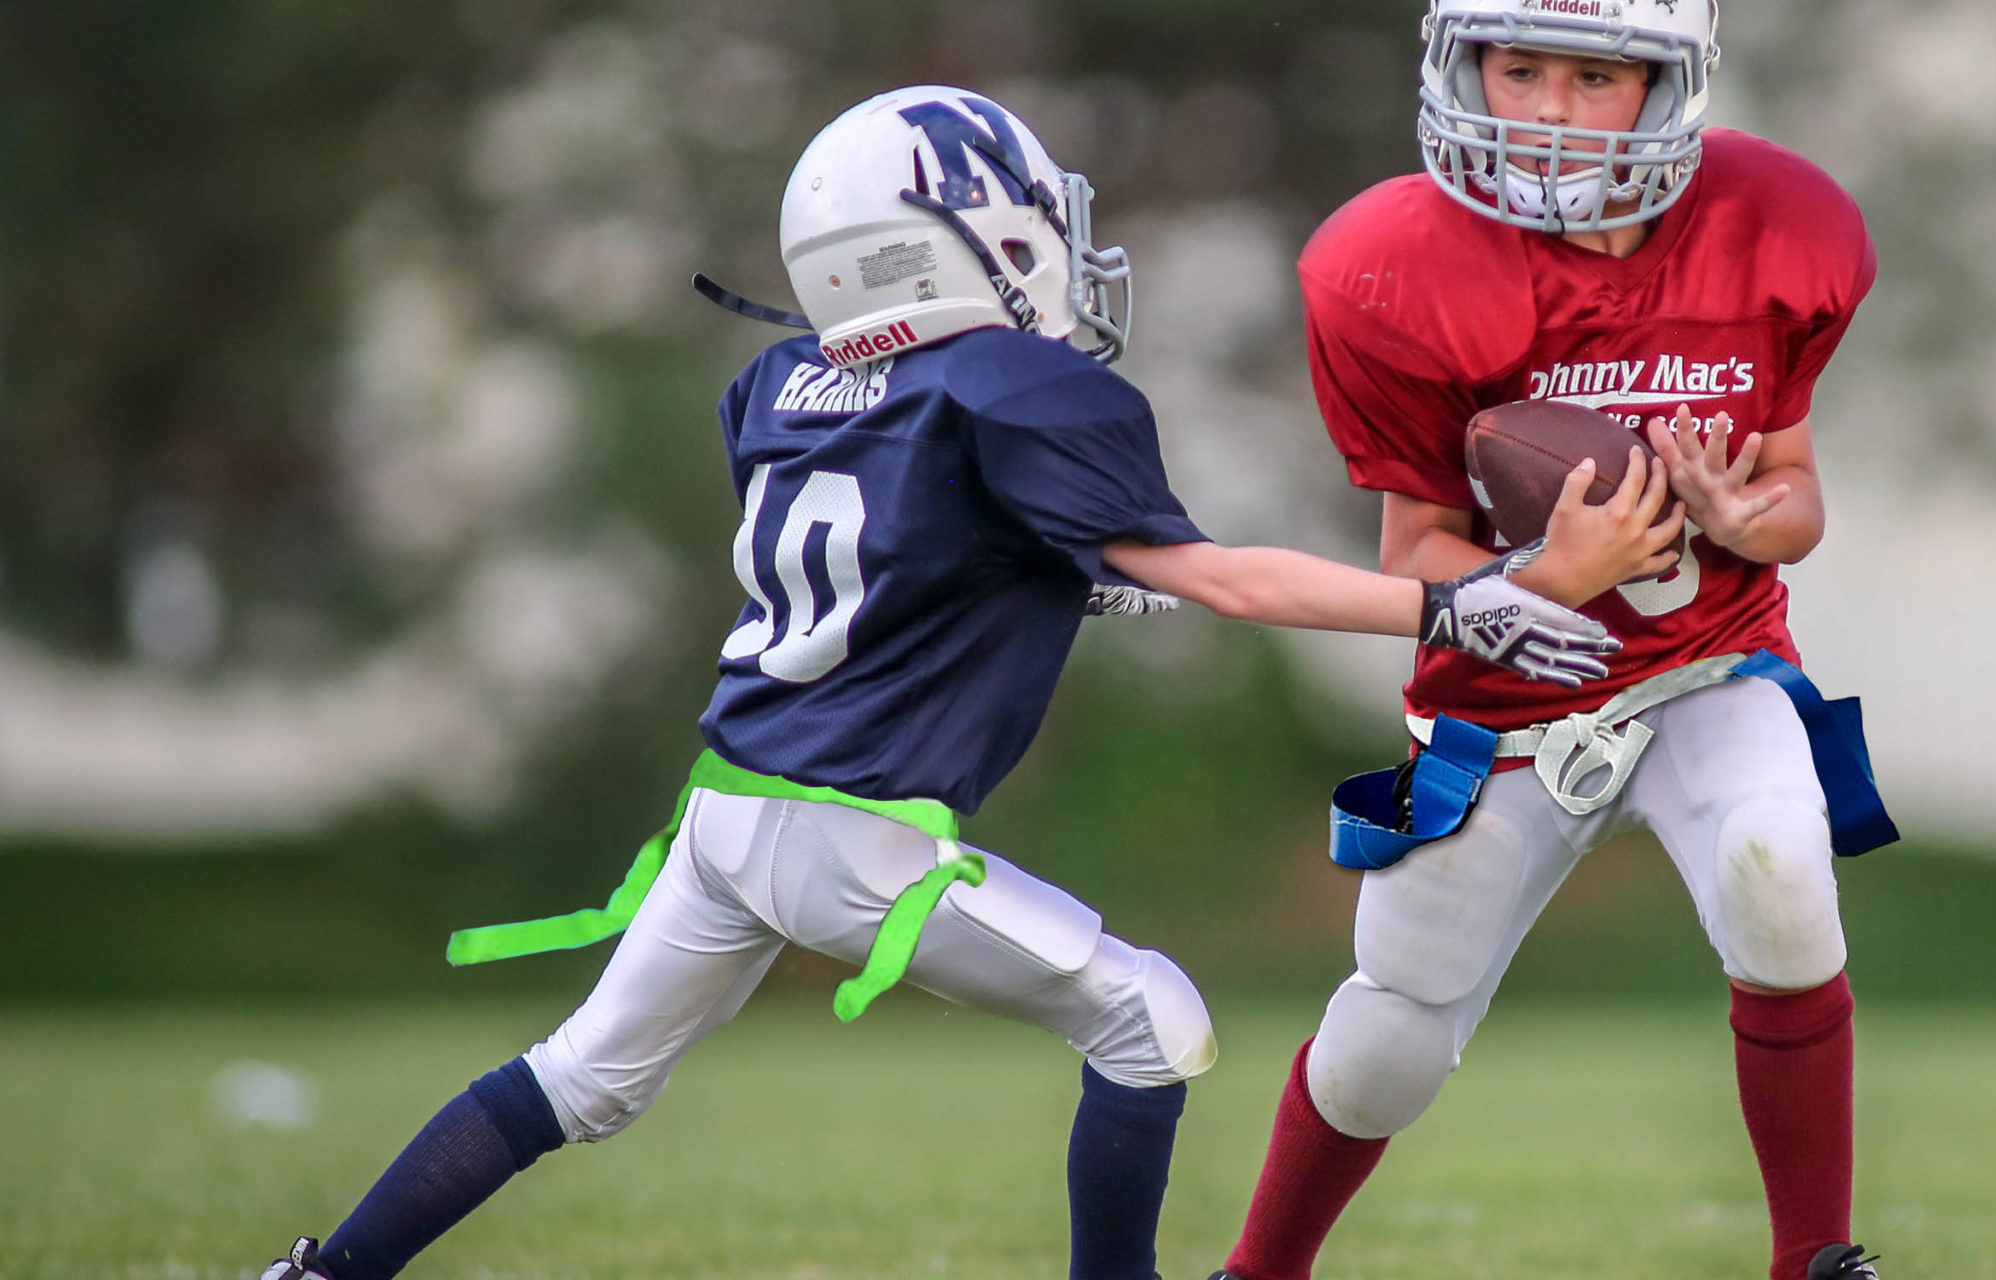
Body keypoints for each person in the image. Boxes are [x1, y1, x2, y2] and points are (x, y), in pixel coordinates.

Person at [256, 84, 1619, 1280]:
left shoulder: (784, 381)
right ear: (965, 241)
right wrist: (1455, 602)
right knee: (1154, 1021)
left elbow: (919, 551)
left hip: (726, 810)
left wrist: (1073, 574)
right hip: (849, 836)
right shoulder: (1010, 385)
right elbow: (1226, 579)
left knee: (581, 1079)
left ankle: (328, 1271)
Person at [1209, 3, 1893, 1280]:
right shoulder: (1388, 262)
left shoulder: (1776, 225)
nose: (1551, 110)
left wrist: (1751, 512)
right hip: (1507, 697)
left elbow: (1793, 494)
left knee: (1778, 864)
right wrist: (1546, 574)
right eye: (1519, 69)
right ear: (1464, 65)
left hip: (1706, 661)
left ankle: (1813, 1257)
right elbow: (1414, 554)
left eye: (1595, 76)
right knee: (1390, 1040)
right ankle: (1259, 1268)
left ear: (1670, 86)